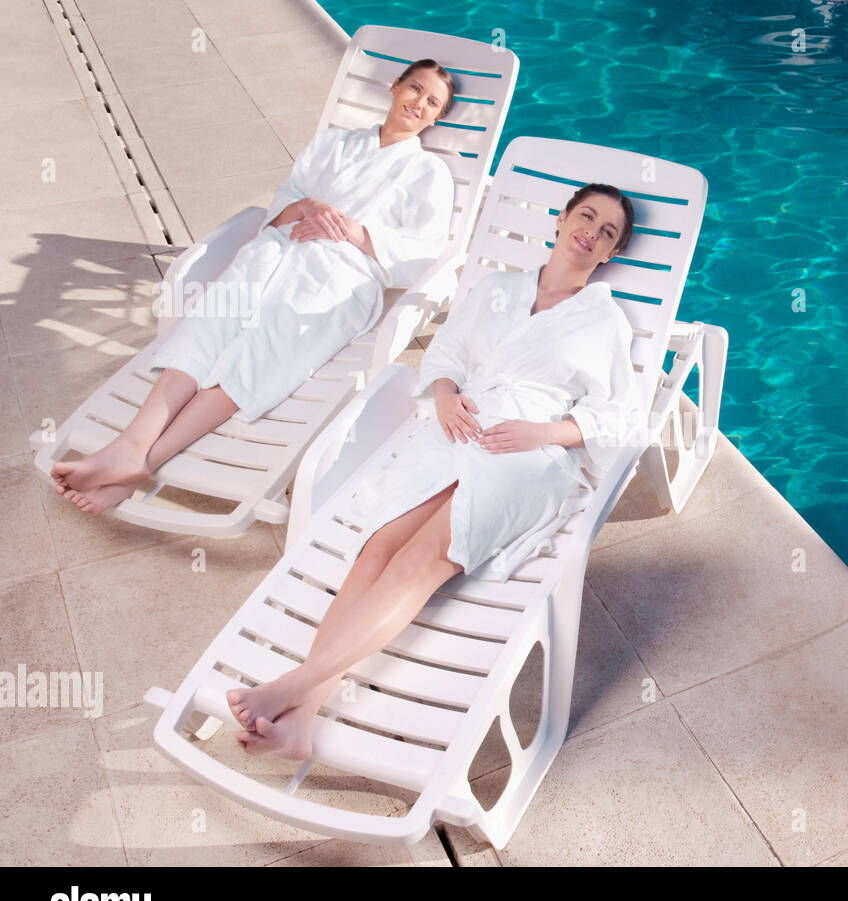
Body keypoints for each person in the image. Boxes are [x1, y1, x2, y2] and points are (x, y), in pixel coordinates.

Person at [226, 184, 645, 760]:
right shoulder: (498, 289)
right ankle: (301, 721)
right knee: (376, 550)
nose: (591, 232)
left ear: (610, 255)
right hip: (458, 427)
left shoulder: (605, 322)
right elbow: (445, 352)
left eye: (607, 233)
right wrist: (445, 395)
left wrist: (543, 434)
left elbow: (618, 417)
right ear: (561, 219)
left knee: (423, 559)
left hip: (526, 452)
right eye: (586, 216)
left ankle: (293, 690)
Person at [52, 59, 458, 514]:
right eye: (415, 89)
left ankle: (142, 460)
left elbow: (422, 254)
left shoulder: (429, 174)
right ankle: (130, 446)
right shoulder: (334, 143)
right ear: (395, 86)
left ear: (437, 117)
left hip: (340, 279)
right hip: (275, 251)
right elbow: (283, 200)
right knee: (208, 327)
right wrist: (304, 206)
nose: (419, 103)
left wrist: (351, 230)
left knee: (256, 353)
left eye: (433, 102)